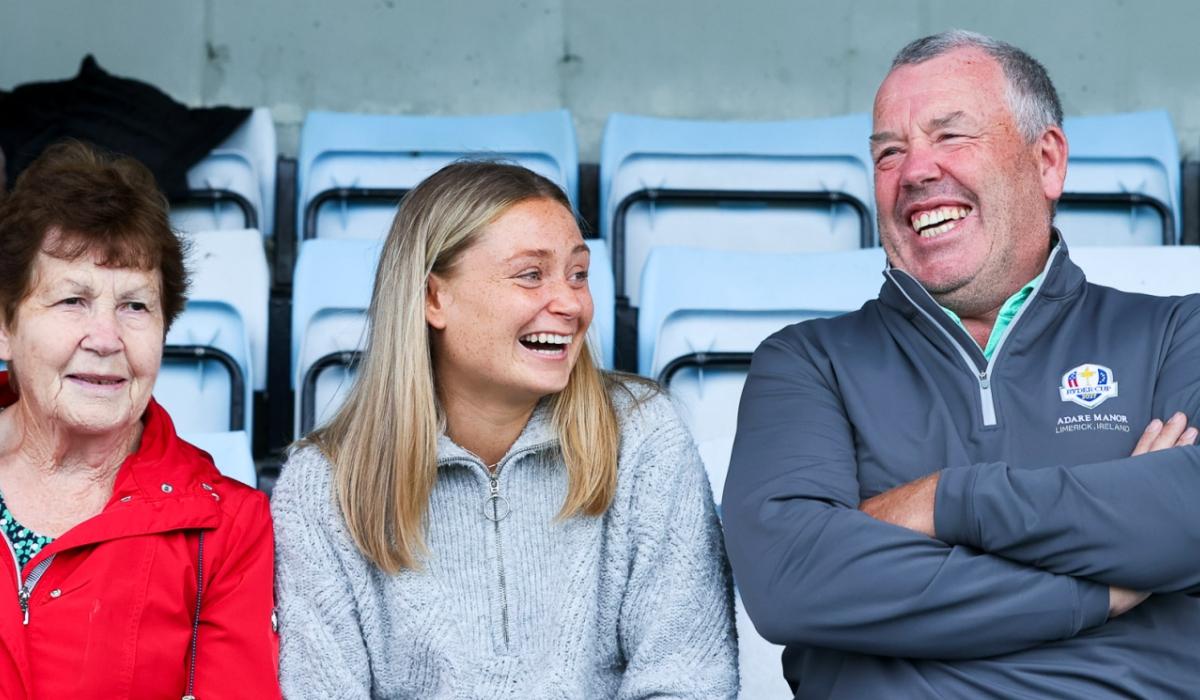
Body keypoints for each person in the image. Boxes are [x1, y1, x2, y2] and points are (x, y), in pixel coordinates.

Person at [723, 29, 1200, 699]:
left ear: (1047, 162)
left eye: (951, 136)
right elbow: (790, 581)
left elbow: (1188, 520)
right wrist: (1101, 590)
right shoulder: (806, 363)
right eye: (889, 152)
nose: (915, 171)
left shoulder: (1180, 331)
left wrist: (945, 500)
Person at [272, 161, 737, 698]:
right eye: (531, 274)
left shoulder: (643, 435)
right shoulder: (323, 485)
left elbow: (688, 679)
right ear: (432, 298)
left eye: (578, 274)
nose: (570, 303)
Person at [0, 141, 280, 698]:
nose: (106, 339)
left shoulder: (225, 527)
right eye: (71, 301)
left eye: (135, 306)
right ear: (6, 326)